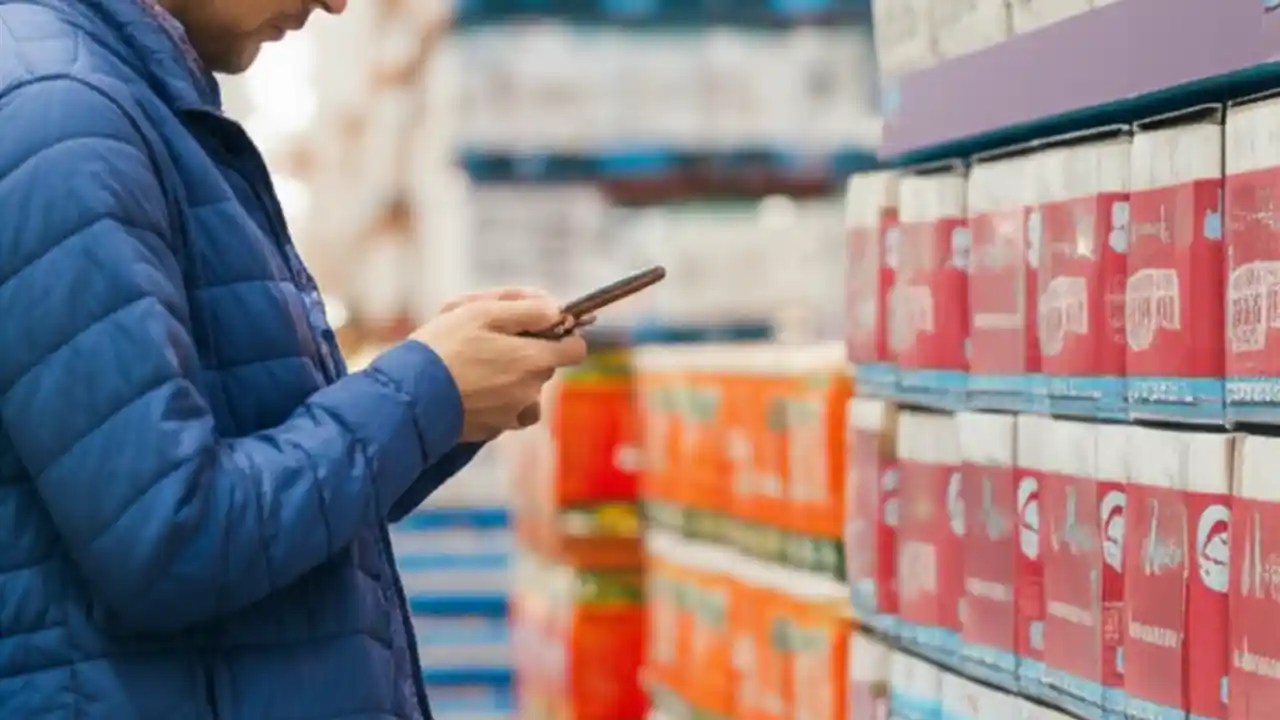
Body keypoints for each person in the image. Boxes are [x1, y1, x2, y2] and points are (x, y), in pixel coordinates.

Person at [0, 0, 587, 718]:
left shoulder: (127, 105)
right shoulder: (64, 123)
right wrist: (422, 394)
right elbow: (169, 538)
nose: (336, 2)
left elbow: (242, 464)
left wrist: (447, 394)